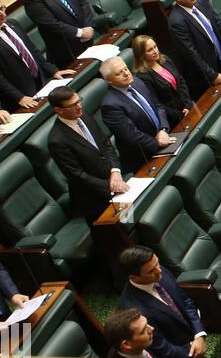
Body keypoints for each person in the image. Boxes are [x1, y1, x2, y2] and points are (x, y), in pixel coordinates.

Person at [0, 0, 71, 112]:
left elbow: (32, 50)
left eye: (2, 8)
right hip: (22, 98)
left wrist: (53, 71)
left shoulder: (13, 24)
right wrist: (19, 97)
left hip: (43, 83)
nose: (2, 13)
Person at [48, 86, 127, 222]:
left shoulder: (85, 115)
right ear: (58, 110)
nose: (79, 106)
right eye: (73, 105)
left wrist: (115, 171)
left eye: (79, 101)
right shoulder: (57, 140)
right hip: (94, 198)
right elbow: (77, 175)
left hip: (116, 180)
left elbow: (106, 144)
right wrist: (110, 185)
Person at [117, 246, 206, 358]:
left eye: (157, 263)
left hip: (194, 338)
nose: (159, 270)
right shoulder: (133, 311)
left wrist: (199, 334)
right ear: (133, 277)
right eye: (151, 271)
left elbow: (185, 302)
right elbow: (162, 348)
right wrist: (193, 352)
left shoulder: (157, 270)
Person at [100, 56, 174, 169]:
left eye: (125, 69)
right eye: (119, 73)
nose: (126, 73)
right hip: (144, 156)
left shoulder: (137, 82)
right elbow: (131, 136)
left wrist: (163, 129)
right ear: (109, 80)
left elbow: (158, 106)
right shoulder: (110, 105)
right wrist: (157, 142)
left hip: (163, 138)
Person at [22, 0, 98, 68]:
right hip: (67, 51)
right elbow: (51, 24)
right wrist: (80, 33)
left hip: (88, 39)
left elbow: (83, 3)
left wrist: (88, 26)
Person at [166, 0, 221, 93]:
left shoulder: (201, 2)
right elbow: (191, 53)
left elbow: (218, 23)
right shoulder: (176, 21)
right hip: (207, 71)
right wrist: (211, 75)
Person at [130, 35, 192, 126]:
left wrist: (188, 105)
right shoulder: (142, 77)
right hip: (174, 119)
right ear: (141, 54)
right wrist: (180, 114)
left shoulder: (165, 60)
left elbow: (181, 80)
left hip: (188, 107)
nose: (155, 51)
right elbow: (157, 104)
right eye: (149, 50)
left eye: (155, 47)